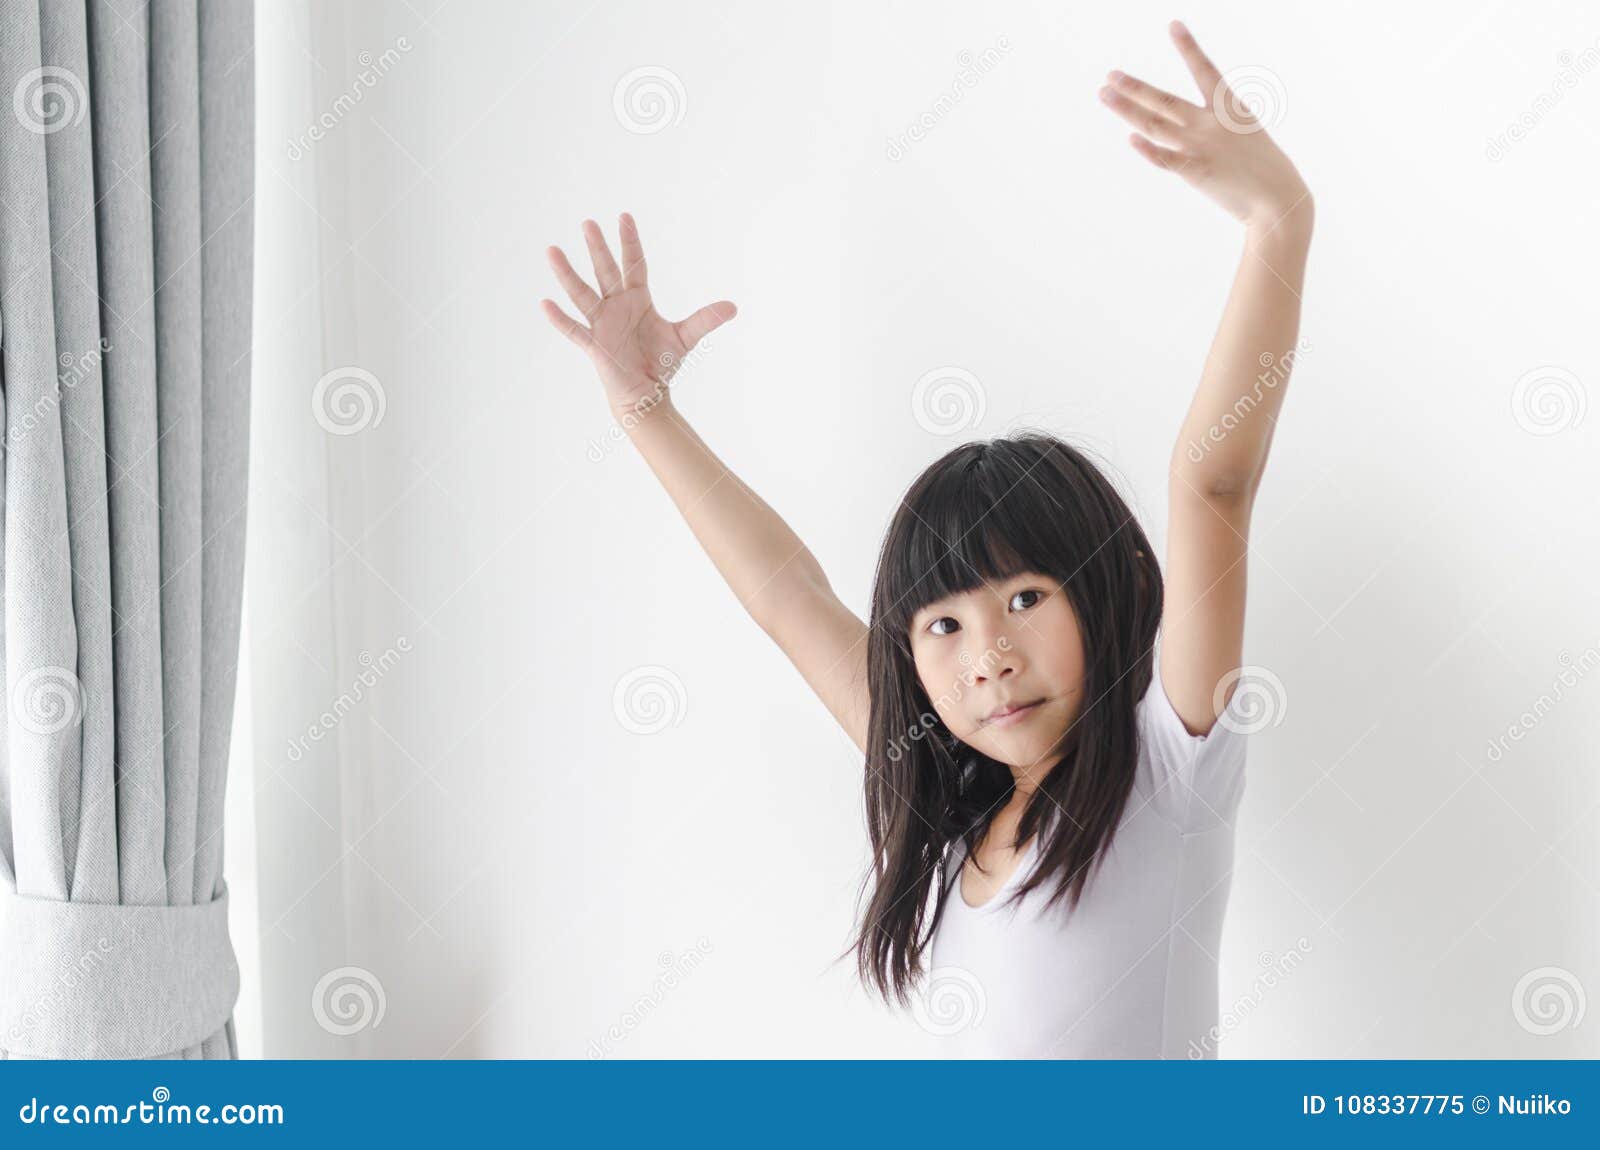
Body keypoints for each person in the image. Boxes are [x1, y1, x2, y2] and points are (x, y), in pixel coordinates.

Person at [540, 20, 1312, 1059]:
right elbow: (785, 596)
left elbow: (1211, 484)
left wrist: (1278, 223)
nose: (987, 654)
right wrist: (645, 412)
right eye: (942, 622)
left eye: (1026, 599)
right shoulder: (942, 818)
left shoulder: (1169, 778)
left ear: (1114, 589)